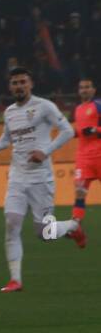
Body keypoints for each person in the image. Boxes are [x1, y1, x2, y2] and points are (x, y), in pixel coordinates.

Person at [0, 67, 80, 293]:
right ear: (10, 87)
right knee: (11, 224)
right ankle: (15, 280)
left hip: (40, 178)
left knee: (43, 233)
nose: (19, 86)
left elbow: (67, 131)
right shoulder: (9, 112)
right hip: (17, 177)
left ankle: (73, 225)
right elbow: (8, 137)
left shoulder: (44, 106)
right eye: (15, 82)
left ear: (31, 84)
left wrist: (45, 152)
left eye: (22, 82)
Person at [68, 76, 99, 234]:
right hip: (83, 158)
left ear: (93, 90)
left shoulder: (98, 105)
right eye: (82, 87)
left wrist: (96, 130)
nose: (84, 90)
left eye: (87, 87)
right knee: (79, 191)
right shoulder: (78, 109)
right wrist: (70, 133)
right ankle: (76, 226)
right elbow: (80, 131)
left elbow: (93, 130)